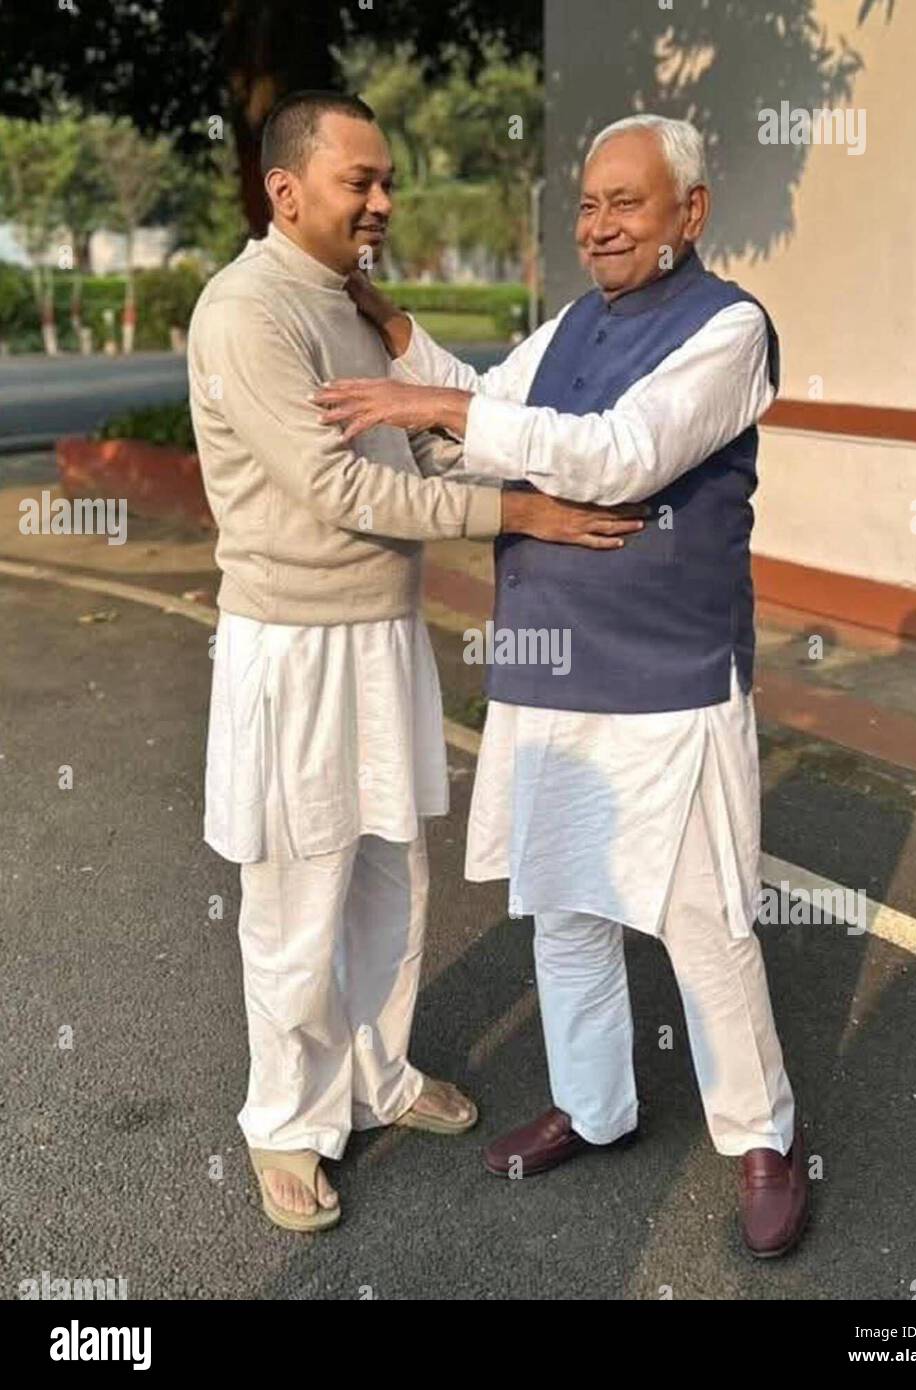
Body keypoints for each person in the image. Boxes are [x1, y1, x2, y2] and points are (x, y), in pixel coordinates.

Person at [314, 113, 809, 1257]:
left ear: (690, 212)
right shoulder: (575, 321)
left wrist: (443, 411)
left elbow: (623, 454)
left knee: (705, 921)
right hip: (549, 667)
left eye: (625, 204)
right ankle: (596, 1106)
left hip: (671, 675)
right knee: (565, 909)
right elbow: (491, 412)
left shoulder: (729, 329)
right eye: (587, 205)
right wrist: (398, 337)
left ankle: (762, 1138)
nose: (598, 227)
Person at [187, 90, 646, 1233]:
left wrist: (512, 479)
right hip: (291, 645)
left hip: (381, 634)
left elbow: (421, 449)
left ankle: (377, 1074)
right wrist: (515, 516)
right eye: (361, 183)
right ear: (286, 191)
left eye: (387, 180)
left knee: (393, 873)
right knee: (297, 891)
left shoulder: (346, 307)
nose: (384, 201)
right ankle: (285, 1120)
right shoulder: (247, 313)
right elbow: (337, 486)